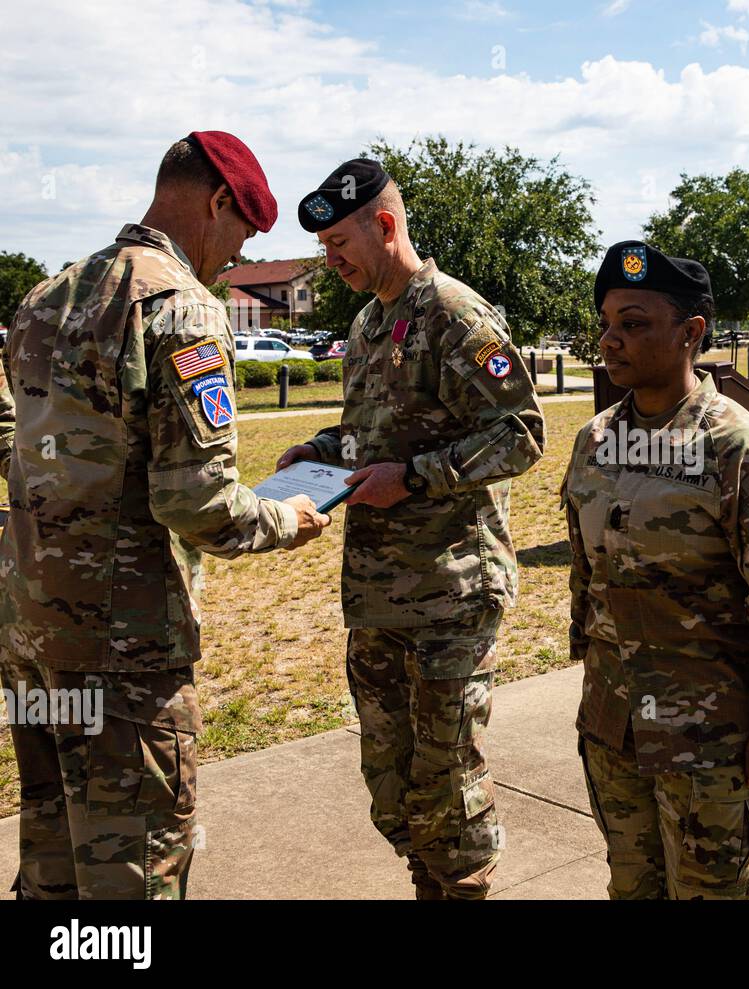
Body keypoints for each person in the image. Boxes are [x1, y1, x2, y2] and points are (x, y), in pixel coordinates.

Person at [0, 131, 330, 900]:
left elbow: (16, 441)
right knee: (133, 873)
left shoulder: (48, 296)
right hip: (127, 653)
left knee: (53, 856)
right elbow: (199, 503)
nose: (238, 254)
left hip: (32, 631)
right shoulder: (181, 308)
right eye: (242, 231)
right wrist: (291, 520)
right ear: (218, 201)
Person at [277, 159, 545, 900]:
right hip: (378, 597)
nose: (329, 262)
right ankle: (430, 882)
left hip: (450, 593)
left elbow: (521, 432)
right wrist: (321, 453)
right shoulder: (368, 324)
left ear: (385, 226)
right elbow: (373, 435)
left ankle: (462, 888)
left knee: (445, 779)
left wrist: (419, 477)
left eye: (337, 244)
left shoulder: (456, 314)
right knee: (391, 784)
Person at [562, 240, 749, 900]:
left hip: (712, 743)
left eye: (634, 323)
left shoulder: (743, 452)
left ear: (691, 334)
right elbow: (585, 581)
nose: (611, 340)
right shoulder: (595, 442)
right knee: (632, 888)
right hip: (614, 727)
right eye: (606, 323)